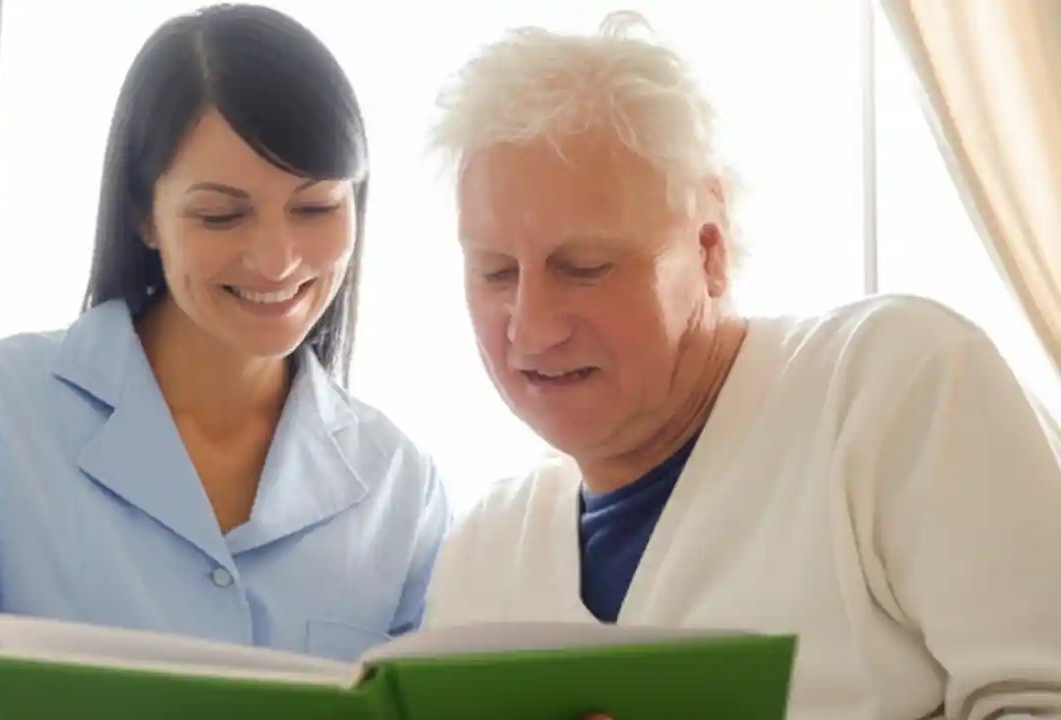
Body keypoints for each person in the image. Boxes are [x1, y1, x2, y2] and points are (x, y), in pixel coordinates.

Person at [0, 6, 449, 719]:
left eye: (316, 208)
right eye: (221, 216)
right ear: (142, 213)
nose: (278, 260)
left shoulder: (400, 487)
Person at [422, 11, 1061, 720]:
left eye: (585, 268)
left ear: (709, 250)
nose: (531, 331)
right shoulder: (483, 554)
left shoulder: (893, 389)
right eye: (494, 273)